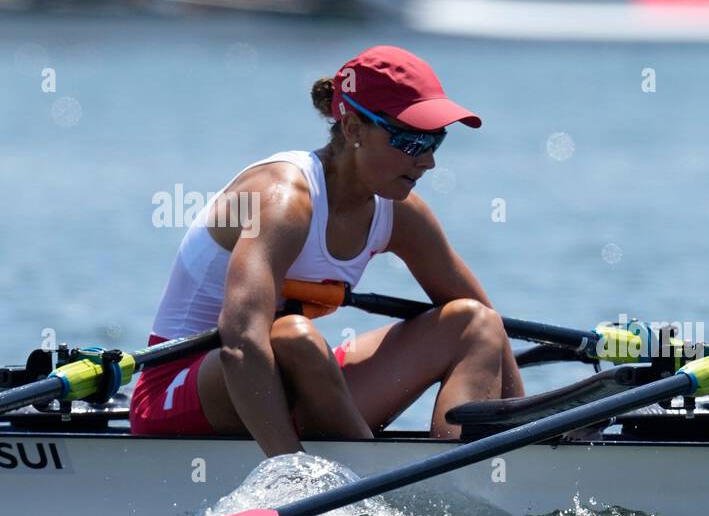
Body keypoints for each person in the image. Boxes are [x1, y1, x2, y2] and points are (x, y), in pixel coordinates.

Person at [130, 45, 522, 456]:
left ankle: (465, 471)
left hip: (296, 382)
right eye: (409, 142)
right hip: (178, 389)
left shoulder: (400, 212)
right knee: (292, 336)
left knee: (475, 323)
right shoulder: (283, 200)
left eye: (435, 141)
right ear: (353, 129)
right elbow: (242, 343)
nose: (427, 163)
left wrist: (529, 433)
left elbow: (495, 335)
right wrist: (288, 472)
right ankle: (357, 473)